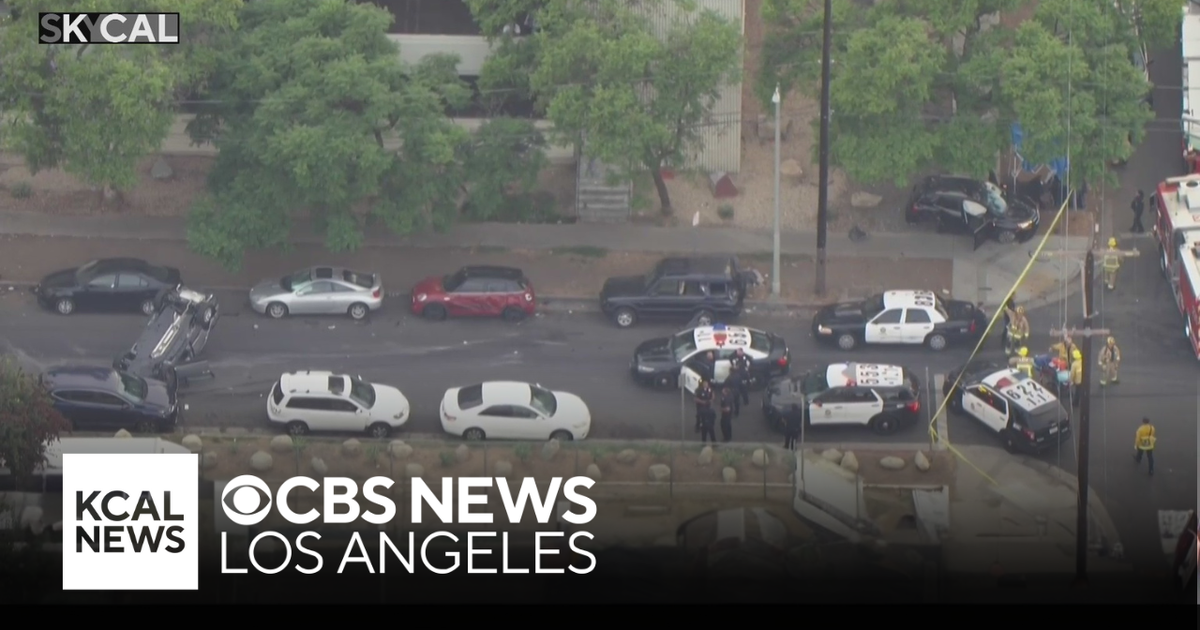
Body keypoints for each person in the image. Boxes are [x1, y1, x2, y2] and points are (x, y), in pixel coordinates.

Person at [729, 348, 752, 415]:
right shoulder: (734, 357)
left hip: (743, 377)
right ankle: (741, 400)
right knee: (738, 390)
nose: (738, 354)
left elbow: (749, 363)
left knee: (744, 390)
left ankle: (746, 401)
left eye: (740, 353)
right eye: (737, 353)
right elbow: (730, 357)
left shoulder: (745, 358)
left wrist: (748, 380)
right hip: (738, 377)